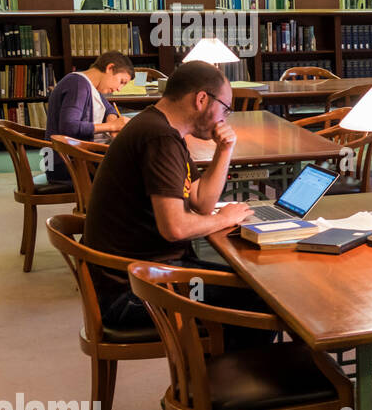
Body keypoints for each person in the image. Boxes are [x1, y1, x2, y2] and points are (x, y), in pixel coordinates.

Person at [82, 61, 261, 343]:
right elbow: (175, 228)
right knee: (260, 301)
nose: (224, 118)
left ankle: (206, 381)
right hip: (133, 293)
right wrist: (225, 218)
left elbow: (201, 201)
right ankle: (210, 385)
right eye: (225, 109)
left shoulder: (162, 128)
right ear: (202, 99)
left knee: (252, 285)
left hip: (143, 274)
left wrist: (225, 150)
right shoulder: (160, 138)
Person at [45, 51, 134, 181]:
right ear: (110, 68)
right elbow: (68, 127)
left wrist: (112, 123)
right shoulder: (78, 85)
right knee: (138, 167)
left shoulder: (88, 85)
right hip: (67, 165)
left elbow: (110, 109)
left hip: (76, 159)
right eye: (122, 81)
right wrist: (111, 125)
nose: (119, 88)